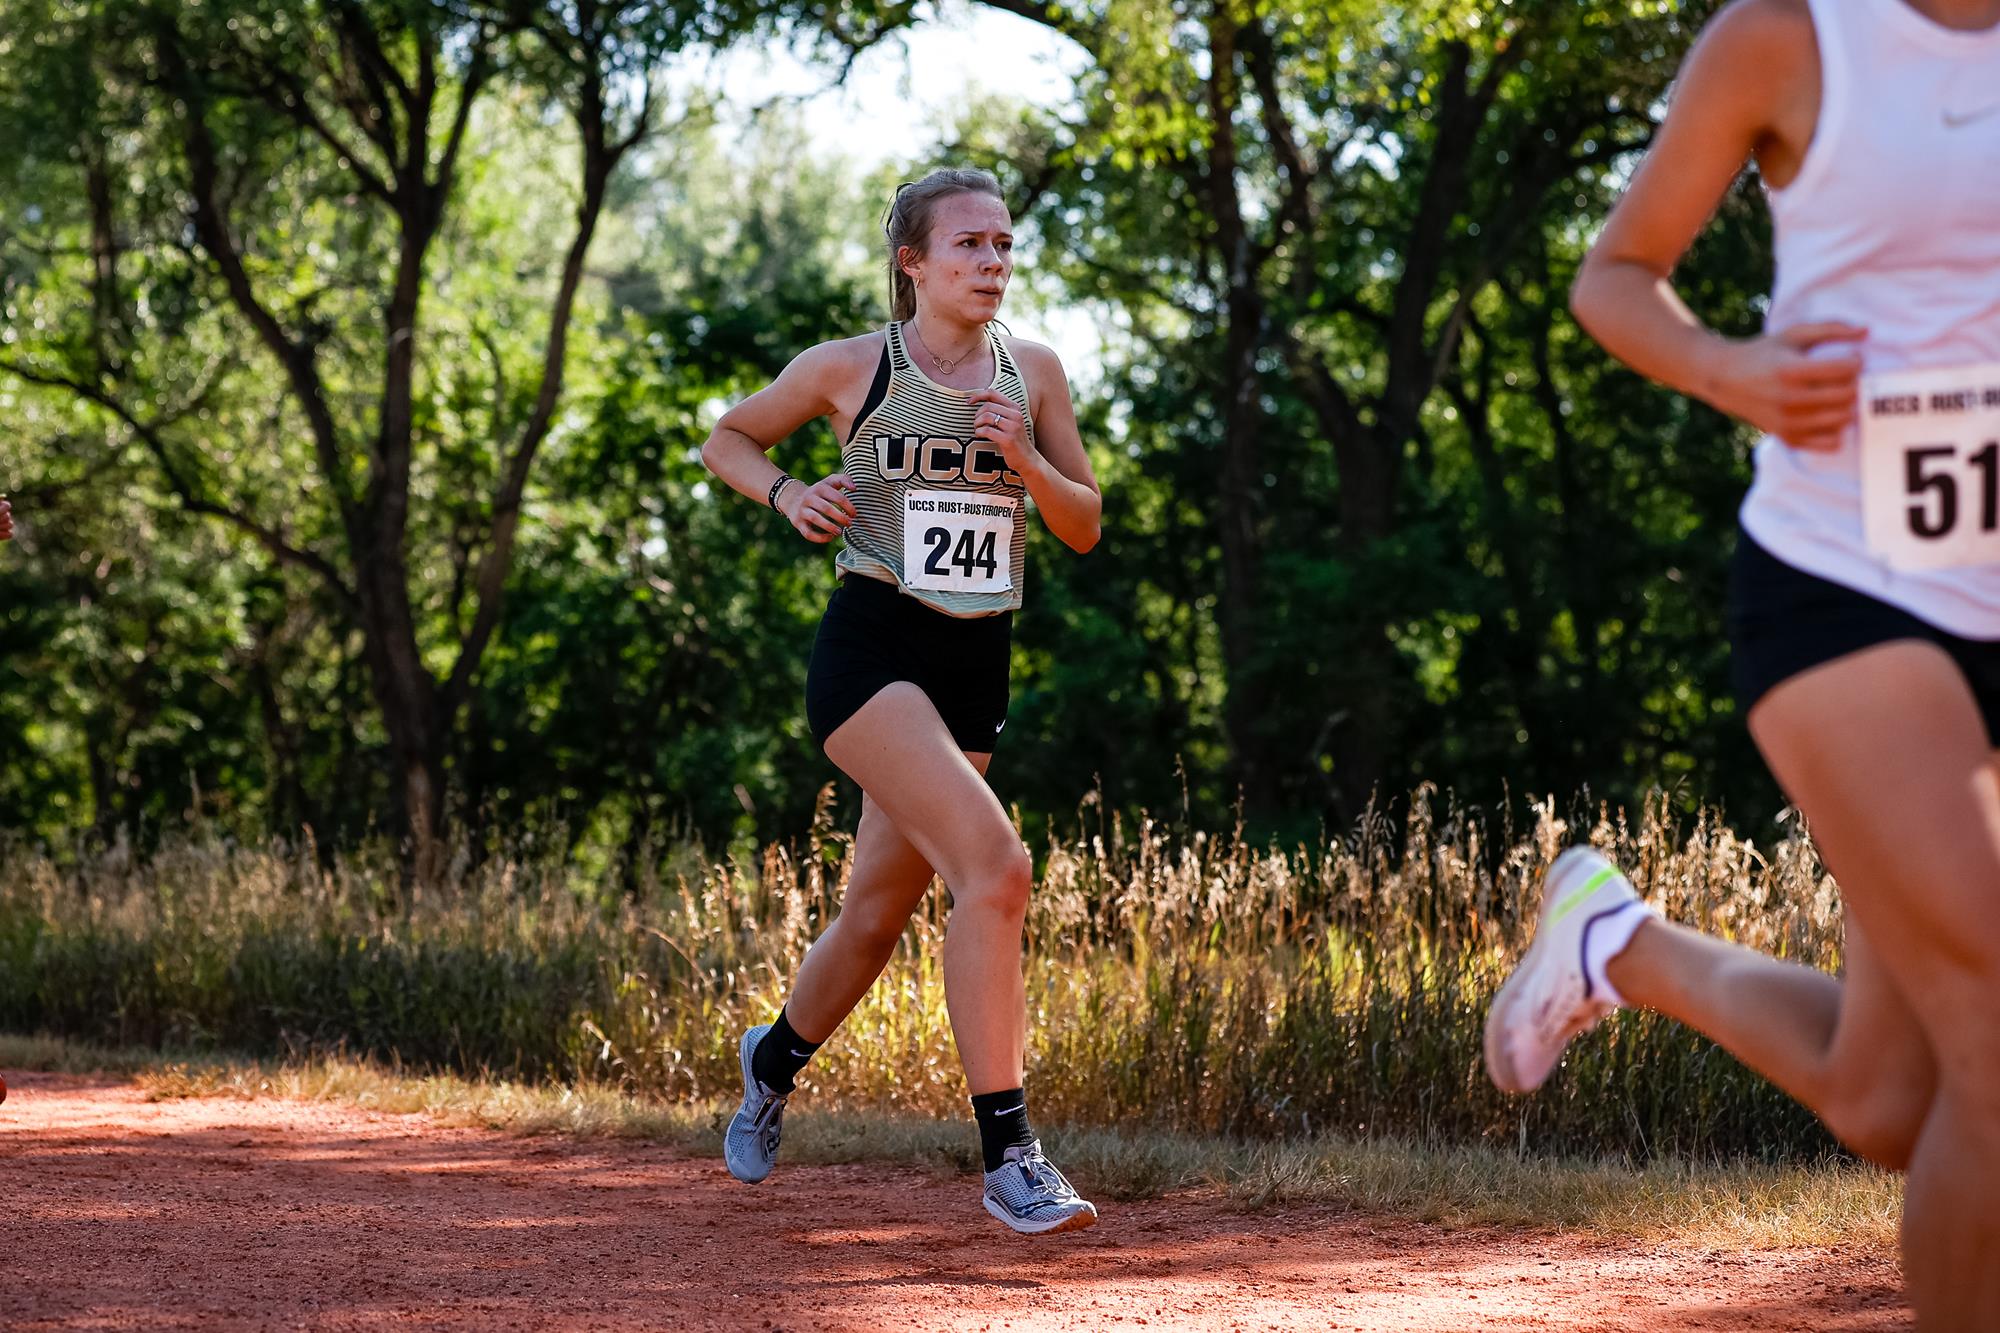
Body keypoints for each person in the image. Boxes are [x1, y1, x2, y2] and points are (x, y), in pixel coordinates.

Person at [1484, 0, 2000, 1324]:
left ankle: (1619, 940)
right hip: (1848, 585)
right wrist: (1735, 370)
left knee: (1888, 1095)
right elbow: (1616, 273)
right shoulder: (1789, 37)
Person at [699, 168, 1104, 1234]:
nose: (991, 263)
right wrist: (788, 492)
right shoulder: (850, 367)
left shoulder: (1037, 373)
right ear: (911, 261)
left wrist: (1022, 455)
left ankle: (772, 1056)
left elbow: (1083, 524)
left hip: (976, 664)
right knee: (997, 866)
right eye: (968, 245)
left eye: (1004, 246)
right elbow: (727, 437)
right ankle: (1010, 1154)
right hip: (872, 650)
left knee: (874, 917)